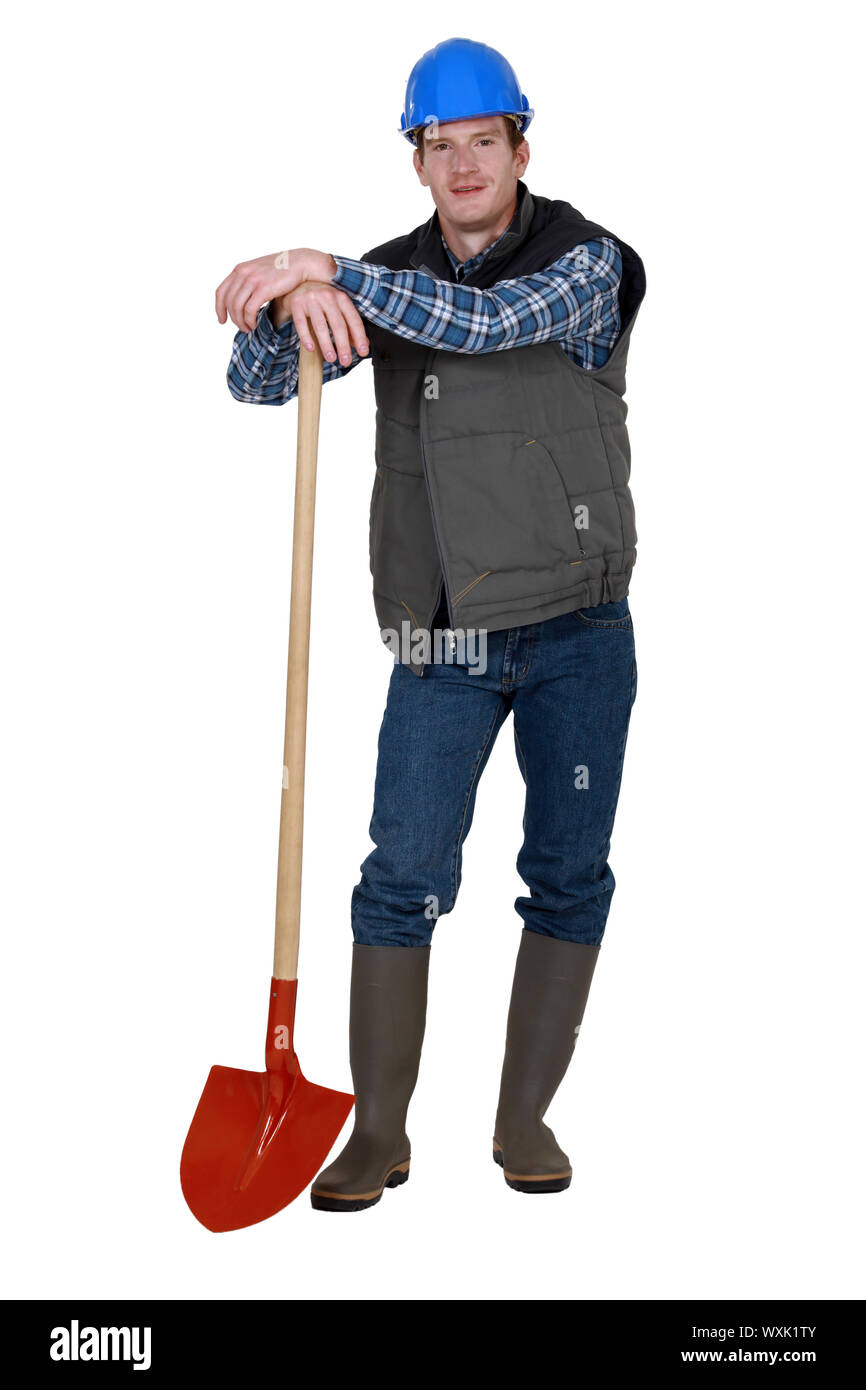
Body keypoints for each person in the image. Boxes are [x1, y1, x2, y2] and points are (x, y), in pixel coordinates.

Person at [216, 36, 646, 1210]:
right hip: (442, 637)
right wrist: (281, 304)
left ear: (520, 145)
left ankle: (522, 1120)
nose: (461, 165)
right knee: (396, 878)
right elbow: (257, 387)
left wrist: (330, 268)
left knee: (566, 877)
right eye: (437, 145)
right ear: (416, 161)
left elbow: (488, 322)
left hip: (575, 628)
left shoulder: (586, 264)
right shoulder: (387, 278)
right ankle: (377, 1133)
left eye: (481, 142)